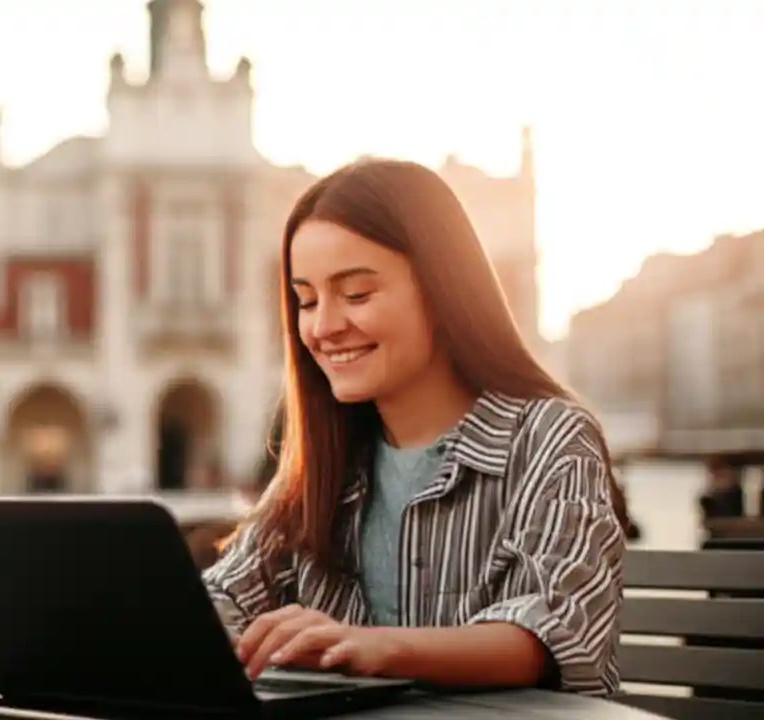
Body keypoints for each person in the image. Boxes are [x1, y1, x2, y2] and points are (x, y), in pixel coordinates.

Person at [202, 159, 628, 696]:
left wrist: (374, 647)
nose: (323, 326)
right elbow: (221, 600)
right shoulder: (325, 464)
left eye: (356, 294)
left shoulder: (551, 439)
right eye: (306, 300)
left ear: (442, 288)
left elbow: (552, 631)